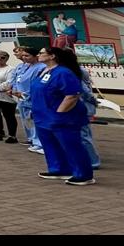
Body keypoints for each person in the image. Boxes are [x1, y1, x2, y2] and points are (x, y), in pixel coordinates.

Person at [32, 47, 95, 186]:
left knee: (72, 145)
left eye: (41, 53)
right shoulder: (43, 71)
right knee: (50, 145)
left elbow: (72, 95)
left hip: (61, 117)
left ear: (52, 56)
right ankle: (59, 169)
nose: (38, 55)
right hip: (42, 116)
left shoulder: (63, 72)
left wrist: (60, 113)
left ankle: (83, 175)